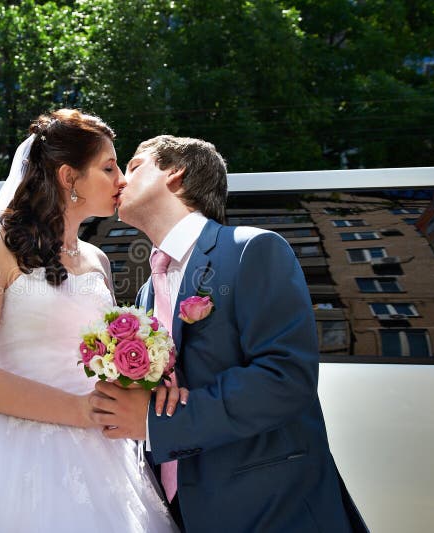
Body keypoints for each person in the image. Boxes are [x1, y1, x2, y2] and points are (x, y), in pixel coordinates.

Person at [0, 110, 181, 532]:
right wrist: (78, 410)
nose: (121, 180)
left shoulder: (97, 260)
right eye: (108, 167)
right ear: (67, 176)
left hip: (102, 454)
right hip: (15, 456)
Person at [89, 135, 369, 532]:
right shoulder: (146, 292)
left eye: (133, 167)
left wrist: (156, 422)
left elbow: (285, 379)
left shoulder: (250, 249)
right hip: (185, 512)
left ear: (175, 173)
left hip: (270, 508)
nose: (118, 180)